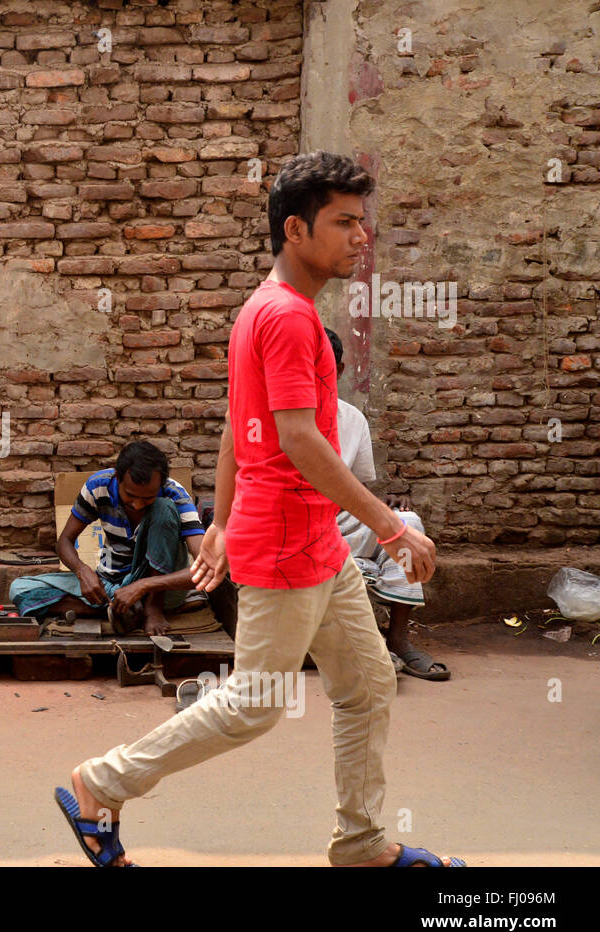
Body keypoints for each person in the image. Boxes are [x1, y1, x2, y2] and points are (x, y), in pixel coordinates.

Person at [53, 152, 464, 868]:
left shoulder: (272, 309)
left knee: (367, 686)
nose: (361, 237)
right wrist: (390, 528)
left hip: (317, 548)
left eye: (362, 222)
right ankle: (100, 782)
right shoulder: (285, 318)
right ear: (296, 230)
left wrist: (215, 523)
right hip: (283, 547)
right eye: (344, 223)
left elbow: (235, 425)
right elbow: (301, 439)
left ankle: (363, 843)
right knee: (255, 702)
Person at [8, 441, 236, 637]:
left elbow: (206, 567)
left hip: (160, 589)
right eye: (130, 496)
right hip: (112, 584)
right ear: (117, 478)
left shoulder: (174, 494)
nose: (137, 505)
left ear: (161, 484)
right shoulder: (98, 487)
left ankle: (152, 607)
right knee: (20, 589)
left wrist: (144, 585)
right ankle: (125, 608)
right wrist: (82, 571)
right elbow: (64, 541)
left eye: (146, 498)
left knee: (163, 509)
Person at [325, 327, 449, 679]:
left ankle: (397, 638)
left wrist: (383, 509)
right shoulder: (283, 417)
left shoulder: (352, 419)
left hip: (339, 521)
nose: (317, 377)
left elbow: (355, 488)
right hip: (298, 526)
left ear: (340, 371)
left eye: (326, 368)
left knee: (407, 522)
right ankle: (363, 645)